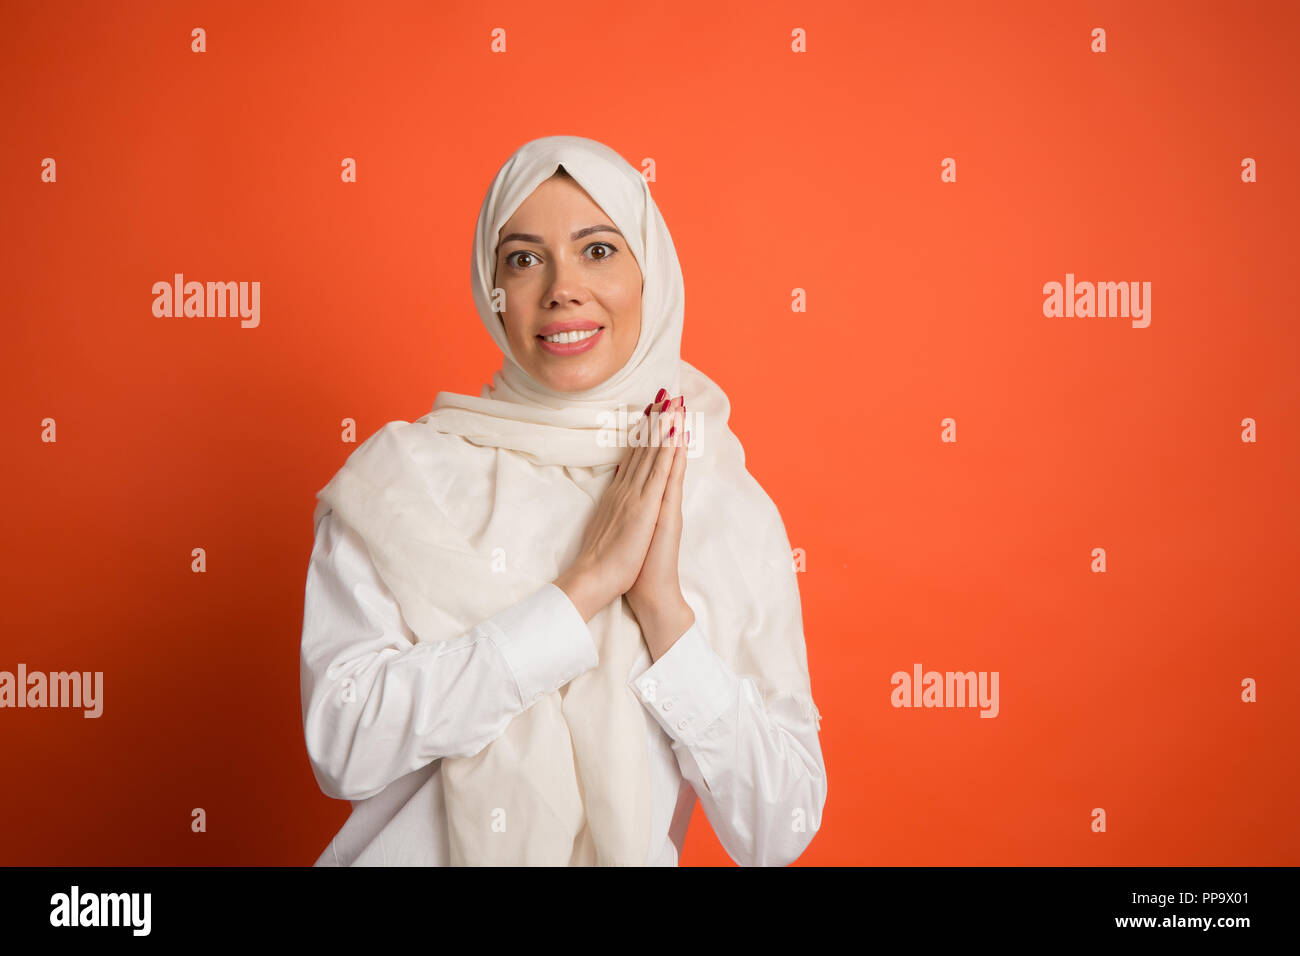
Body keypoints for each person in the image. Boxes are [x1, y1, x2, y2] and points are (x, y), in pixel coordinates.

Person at [299, 135, 827, 866]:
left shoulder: (717, 502)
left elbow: (781, 826)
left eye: (599, 250)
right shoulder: (401, 479)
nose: (562, 288)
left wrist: (664, 612)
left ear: (653, 274)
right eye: (523, 258)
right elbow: (343, 745)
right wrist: (582, 591)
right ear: (494, 292)